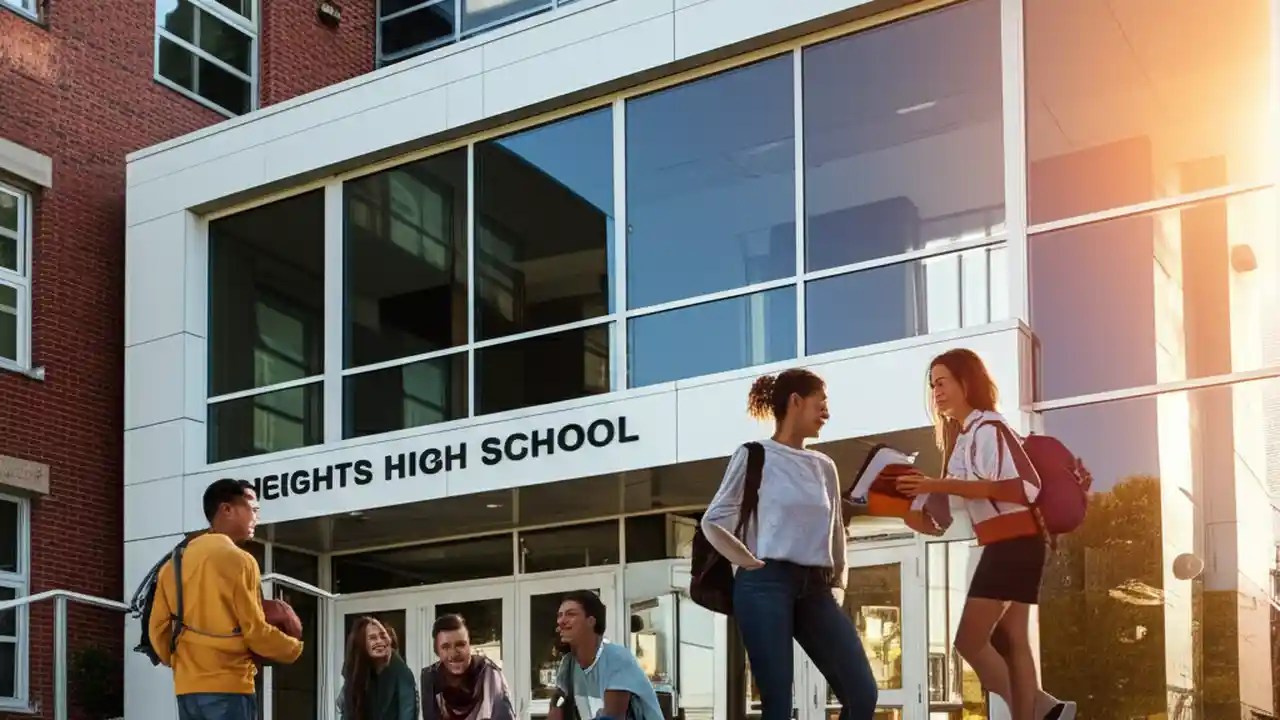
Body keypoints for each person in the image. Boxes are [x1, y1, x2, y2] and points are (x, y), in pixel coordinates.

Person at [896, 348, 1079, 720]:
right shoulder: (963, 437)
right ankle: (1045, 712)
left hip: (1014, 541)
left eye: (943, 382)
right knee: (1012, 642)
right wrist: (919, 513)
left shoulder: (988, 428)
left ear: (966, 382)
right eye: (933, 386)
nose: (937, 392)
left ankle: (1042, 711)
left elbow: (1022, 487)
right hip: (1007, 541)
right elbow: (954, 509)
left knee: (970, 640)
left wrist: (938, 483)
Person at [701, 368, 877, 720]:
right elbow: (713, 520)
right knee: (778, 703)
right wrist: (747, 562)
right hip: (764, 583)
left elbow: (836, 530)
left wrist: (837, 583)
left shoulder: (823, 465)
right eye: (821, 401)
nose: (827, 411)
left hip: (815, 587)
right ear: (795, 401)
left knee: (862, 693)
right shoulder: (754, 454)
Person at [148, 478, 304, 720]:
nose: (257, 518)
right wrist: (292, 648)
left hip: (188, 690)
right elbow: (255, 631)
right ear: (227, 509)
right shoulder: (240, 560)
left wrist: (184, 664)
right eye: (253, 509)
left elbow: (157, 631)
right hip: (230, 687)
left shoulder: (173, 564)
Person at [548, 590, 664, 720]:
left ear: (591, 621)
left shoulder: (616, 659)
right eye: (560, 615)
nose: (561, 621)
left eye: (570, 614)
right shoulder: (569, 664)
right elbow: (558, 704)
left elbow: (611, 717)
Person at [421, 613, 514, 720]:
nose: (454, 654)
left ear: (469, 645)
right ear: (437, 651)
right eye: (445, 647)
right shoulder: (431, 678)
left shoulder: (490, 676)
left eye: (460, 644)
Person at [338, 616, 419, 720]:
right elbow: (348, 712)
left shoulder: (400, 671)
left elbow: (408, 712)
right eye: (373, 638)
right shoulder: (356, 671)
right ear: (361, 643)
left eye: (382, 636)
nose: (380, 641)